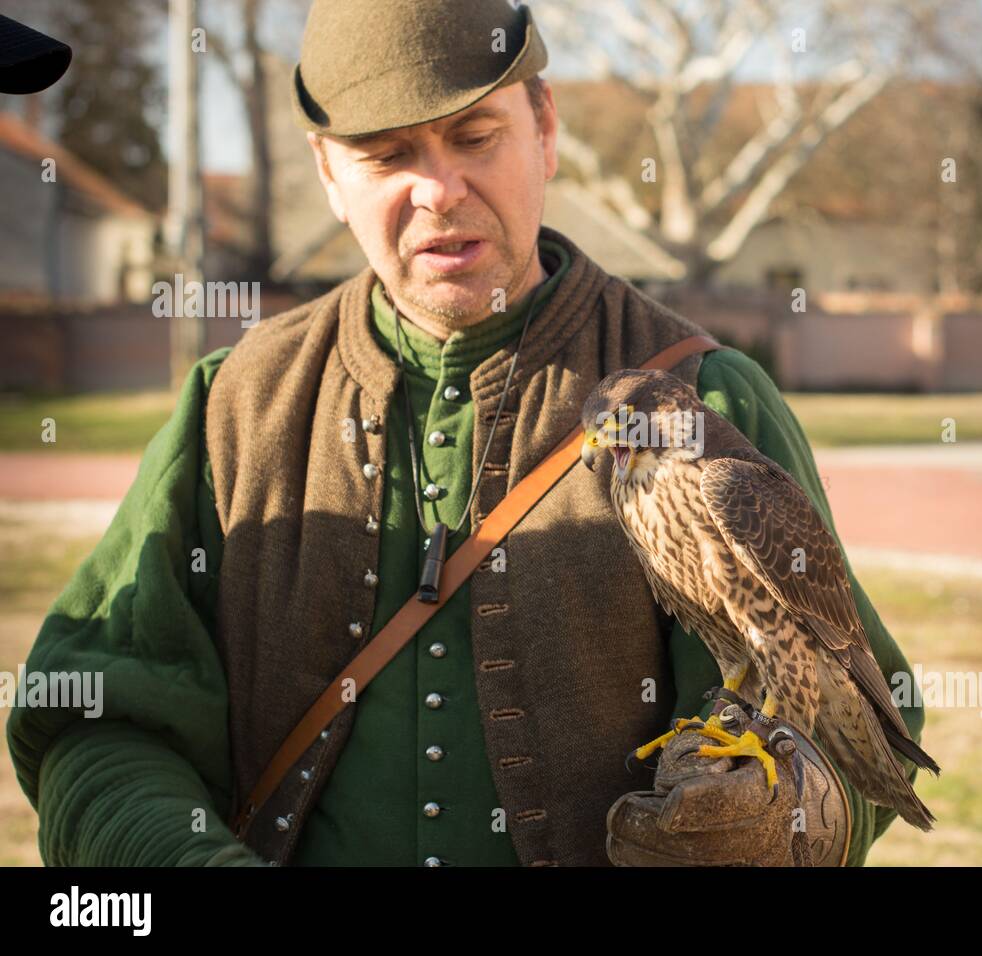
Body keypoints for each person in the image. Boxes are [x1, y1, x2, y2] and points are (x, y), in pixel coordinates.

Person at [7, 0, 926, 867]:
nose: (439, 190)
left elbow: (849, 713)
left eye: (476, 137)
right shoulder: (234, 404)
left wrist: (775, 823)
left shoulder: (706, 397)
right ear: (328, 173)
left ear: (547, 130)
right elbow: (98, 719)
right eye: (383, 155)